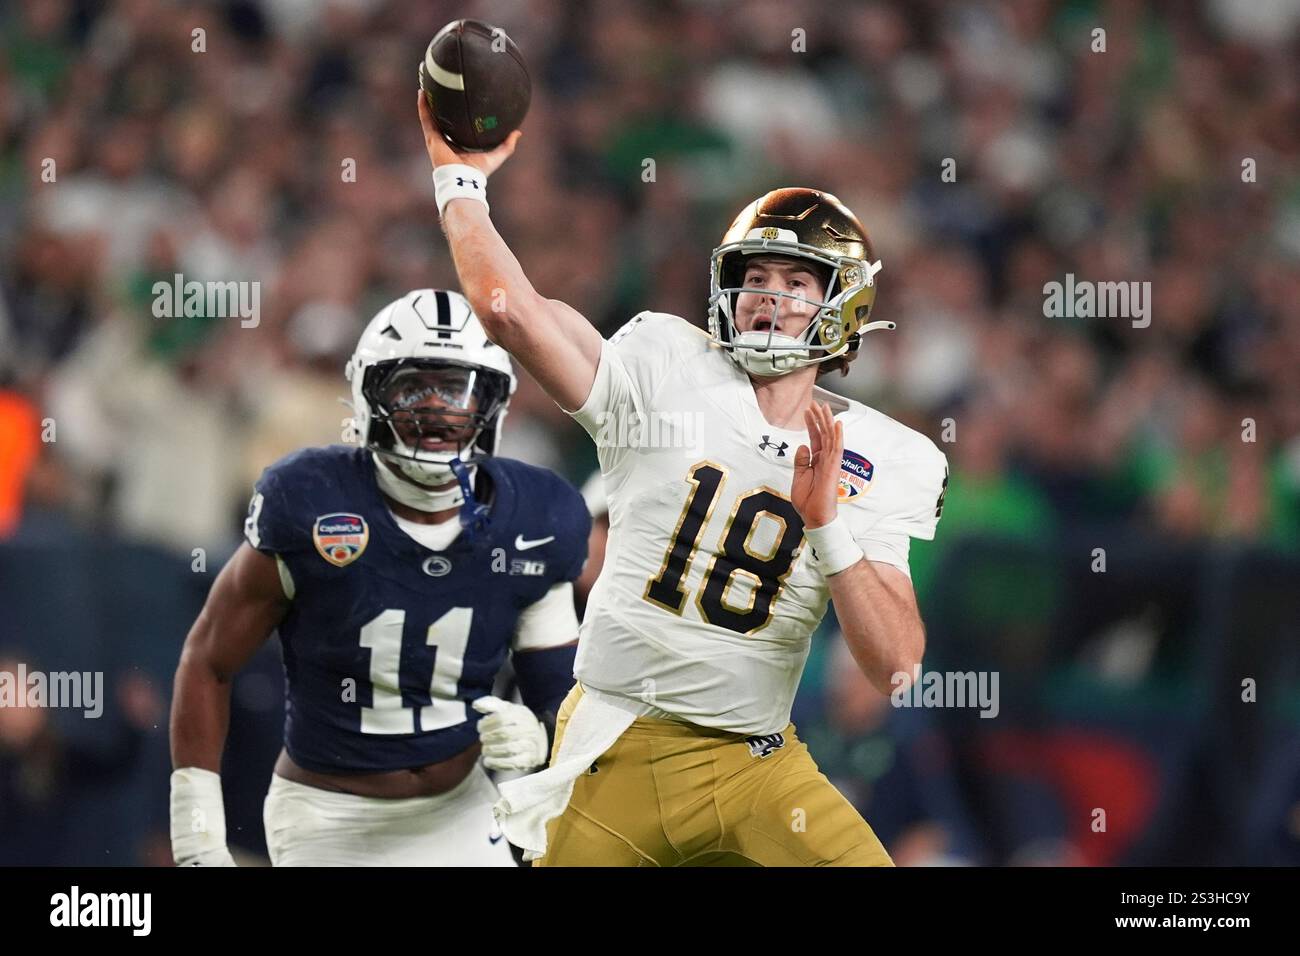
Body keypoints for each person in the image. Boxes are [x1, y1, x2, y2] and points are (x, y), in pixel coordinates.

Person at [419, 97, 948, 866]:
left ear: (841, 303)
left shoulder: (878, 452)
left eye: (796, 281)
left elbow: (896, 666)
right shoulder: (665, 363)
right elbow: (511, 312)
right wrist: (459, 183)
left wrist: (829, 527)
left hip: (756, 764)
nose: (768, 295)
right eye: (755, 276)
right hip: (617, 741)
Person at [168, 289, 590, 866]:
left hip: (464, 809)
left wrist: (542, 736)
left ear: (492, 401)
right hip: (330, 818)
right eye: (413, 387)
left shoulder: (535, 518)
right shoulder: (312, 502)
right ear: (371, 394)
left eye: (458, 389)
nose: (436, 408)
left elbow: (560, 695)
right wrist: (197, 834)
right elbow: (208, 661)